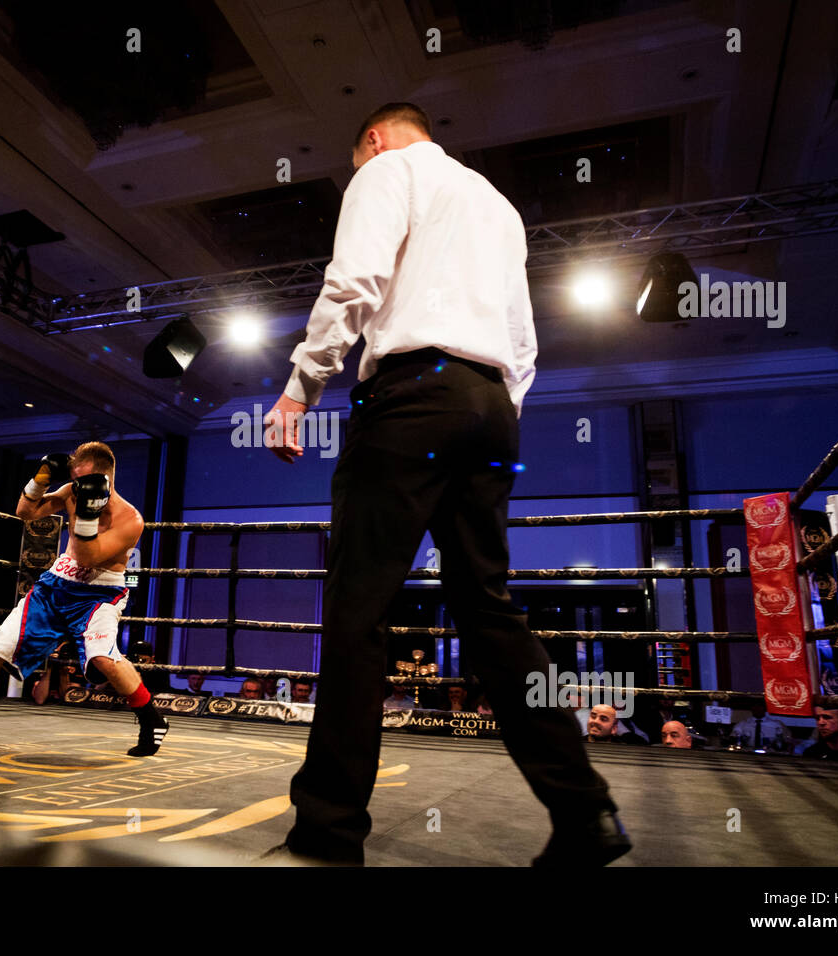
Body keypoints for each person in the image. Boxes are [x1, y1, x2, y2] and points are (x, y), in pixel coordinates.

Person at [261, 103, 627, 866]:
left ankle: (329, 829)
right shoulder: (497, 204)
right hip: (493, 405)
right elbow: (523, 339)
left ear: (373, 138)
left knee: (359, 609)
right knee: (489, 608)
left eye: (358, 160)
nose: (359, 173)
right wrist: (490, 408)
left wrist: (301, 386)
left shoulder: (387, 170)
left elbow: (353, 279)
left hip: (411, 395)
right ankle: (585, 813)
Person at [0, 442, 169, 757]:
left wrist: (88, 514)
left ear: (106, 479)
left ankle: (151, 719)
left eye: (83, 481)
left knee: (103, 659)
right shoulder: (71, 492)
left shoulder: (130, 520)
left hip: (99, 593)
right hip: (54, 586)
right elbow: (25, 512)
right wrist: (40, 480)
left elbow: (88, 557)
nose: (76, 487)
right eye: (73, 479)